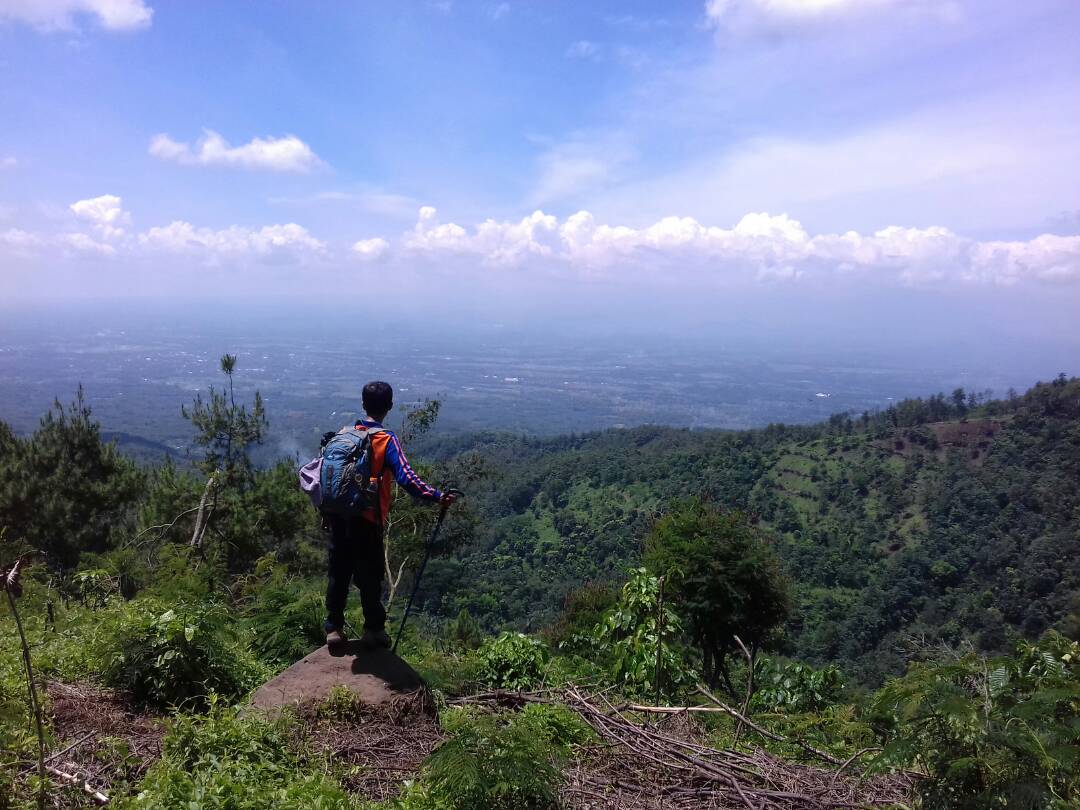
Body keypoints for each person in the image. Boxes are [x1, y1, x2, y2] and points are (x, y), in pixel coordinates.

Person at [323, 380, 455, 649]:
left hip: (338, 515)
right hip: (367, 519)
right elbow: (408, 479)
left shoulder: (344, 433)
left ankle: (333, 628)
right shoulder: (386, 440)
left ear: (363, 404)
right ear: (390, 406)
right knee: (370, 576)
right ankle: (373, 629)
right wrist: (438, 496)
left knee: (339, 571)